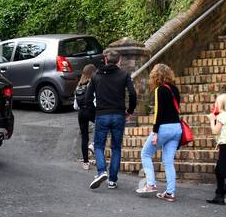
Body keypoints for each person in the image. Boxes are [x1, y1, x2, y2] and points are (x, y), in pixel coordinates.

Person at [88, 50, 138, 189]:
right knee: (116, 147)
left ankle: (102, 171)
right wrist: (130, 111)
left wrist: (95, 114)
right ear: (119, 61)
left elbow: (87, 99)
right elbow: (133, 94)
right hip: (118, 115)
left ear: (105, 60)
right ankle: (112, 180)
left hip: (102, 115)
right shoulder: (124, 74)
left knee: (98, 146)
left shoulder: (96, 76)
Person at [138, 63, 183, 202]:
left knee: (145, 154)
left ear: (156, 76)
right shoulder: (174, 89)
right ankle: (170, 193)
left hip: (164, 127)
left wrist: (155, 132)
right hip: (177, 128)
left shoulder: (160, 90)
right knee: (168, 162)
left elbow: (159, 113)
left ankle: (151, 184)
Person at [73, 63, 97, 169]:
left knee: (84, 137)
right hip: (92, 111)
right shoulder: (93, 83)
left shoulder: (79, 86)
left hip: (81, 112)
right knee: (102, 127)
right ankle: (94, 145)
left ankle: (86, 163)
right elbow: (96, 101)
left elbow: (75, 106)